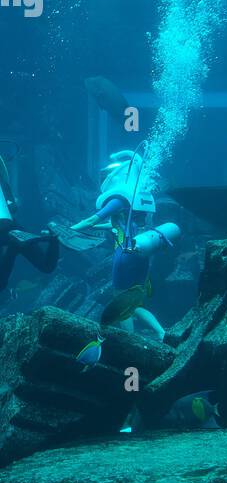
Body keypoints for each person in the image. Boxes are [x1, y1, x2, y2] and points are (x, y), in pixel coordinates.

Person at [71, 146, 179, 341]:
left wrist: (69, 230)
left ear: (115, 175)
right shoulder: (138, 198)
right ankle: (162, 333)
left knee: (120, 299)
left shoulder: (118, 199)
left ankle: (129, 340)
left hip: (125, 255)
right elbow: (118, 225)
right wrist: (98, 228)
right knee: (135, 302)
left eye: (105, 174)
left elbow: (91, 220)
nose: (103, 178)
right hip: (141, 253)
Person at [0, 153, 59, 294]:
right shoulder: (3, 183)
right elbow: (13, 207)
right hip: (12, 229)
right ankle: (54, 239)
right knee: (46, 266)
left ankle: (13, 248)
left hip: (8, 231)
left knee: (1, 284)